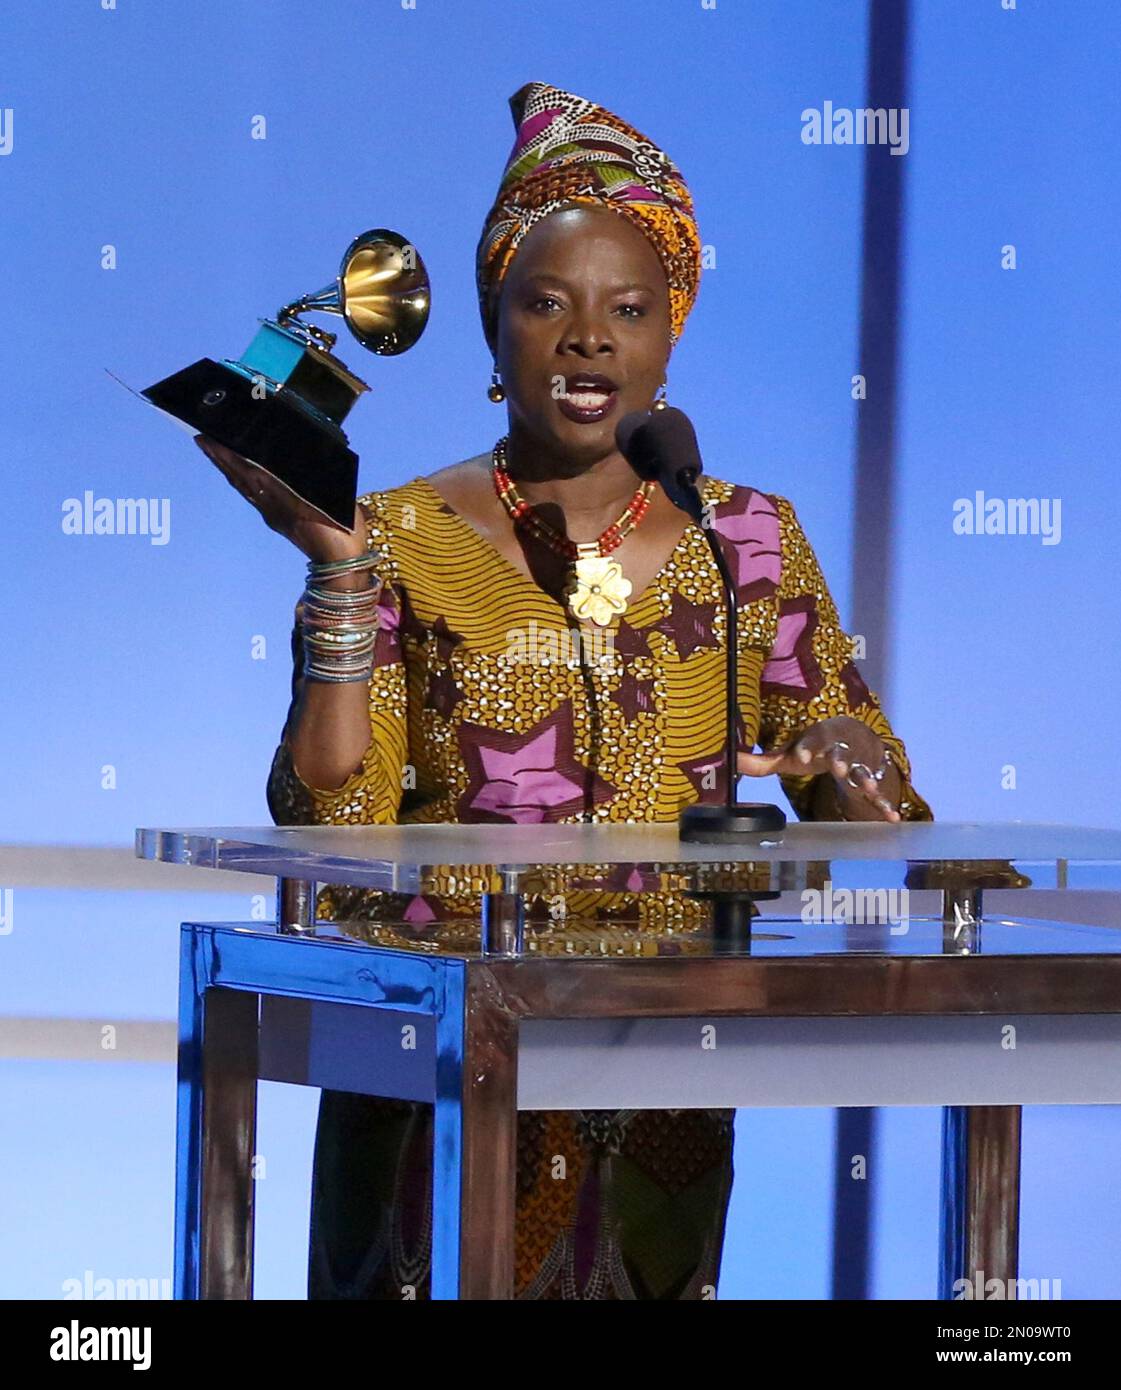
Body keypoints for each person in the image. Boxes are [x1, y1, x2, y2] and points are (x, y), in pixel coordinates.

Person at [195, 81, 933, 1301]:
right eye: (547, 303)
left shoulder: (744, 538)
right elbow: (329, 816)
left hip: (657, 1087)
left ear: (668, 336)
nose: (589, 337)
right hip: (435, 1071)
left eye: (627, 310)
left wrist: (848, 754)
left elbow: (867, 815)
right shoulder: (399, 535)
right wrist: (337, 574)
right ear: (495, 328)